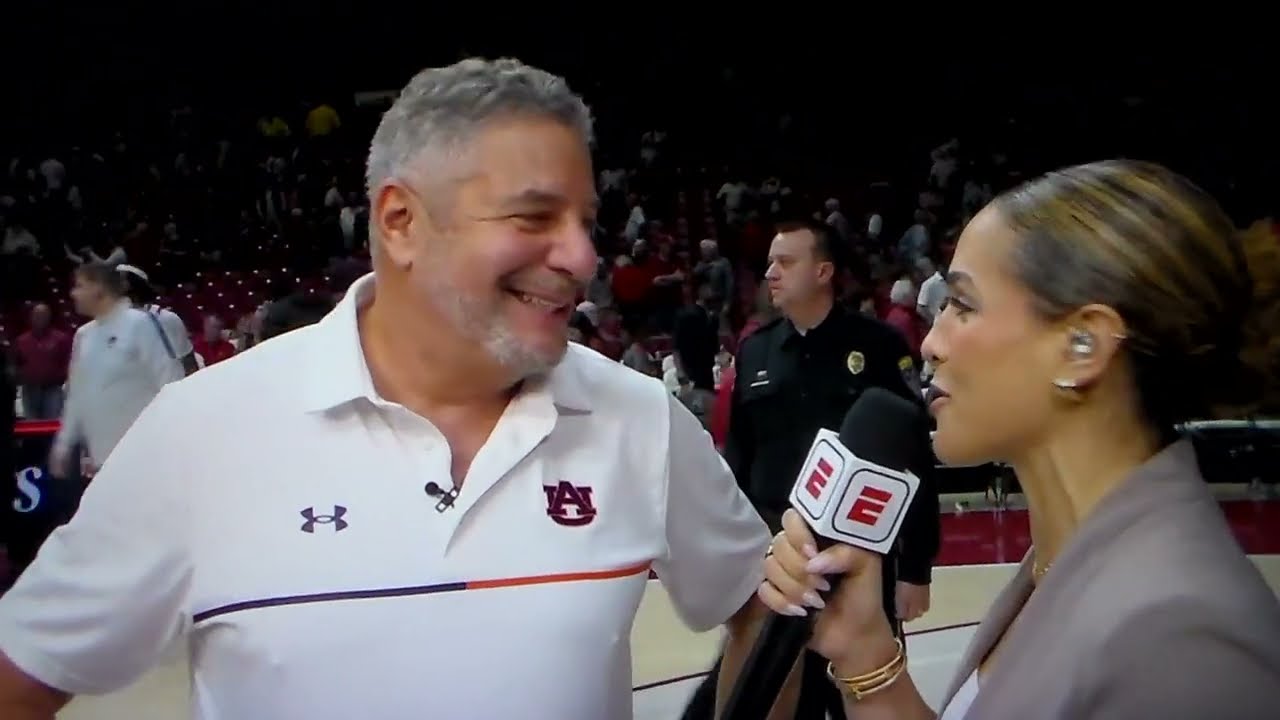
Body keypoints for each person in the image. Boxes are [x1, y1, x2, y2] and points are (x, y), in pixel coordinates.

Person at [0, 59, 771, 720]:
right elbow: (22, 679)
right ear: (400, 221)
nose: (581, 254)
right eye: (535, 216)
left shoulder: (639, 419)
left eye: (585, 221)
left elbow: (761, 613)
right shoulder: (202, 432)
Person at [759, 160, 1280, 719]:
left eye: (962, 305)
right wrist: (863, 649)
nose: (931, 343)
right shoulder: (1072, 558)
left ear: (1082, 346)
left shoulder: (1183, 644)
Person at [685, 219, 940, 720]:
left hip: (856, 558)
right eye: (770, 263)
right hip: (775, 559)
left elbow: (912, 459)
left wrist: (915, 569)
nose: (770, 273)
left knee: (856, 693)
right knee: (761, 695)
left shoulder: (878, 345)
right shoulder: (755, 349)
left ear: (823, 271)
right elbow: (738, 457)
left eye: (785, 262)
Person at [48, 262, 185, 479]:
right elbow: (78, 394)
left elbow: (170, 381)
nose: (73, 293)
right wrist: (63, 444)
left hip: (144, 453)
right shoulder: (84, 336)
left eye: (80, 286)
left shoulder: (141, 324)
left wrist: (175, 440)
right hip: (102, 458)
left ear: (99, 289)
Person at [116, 263, 198, 376]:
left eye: (118, 279)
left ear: (132, 284)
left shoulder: (168, 319)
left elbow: (190, 366)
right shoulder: (107, 325)